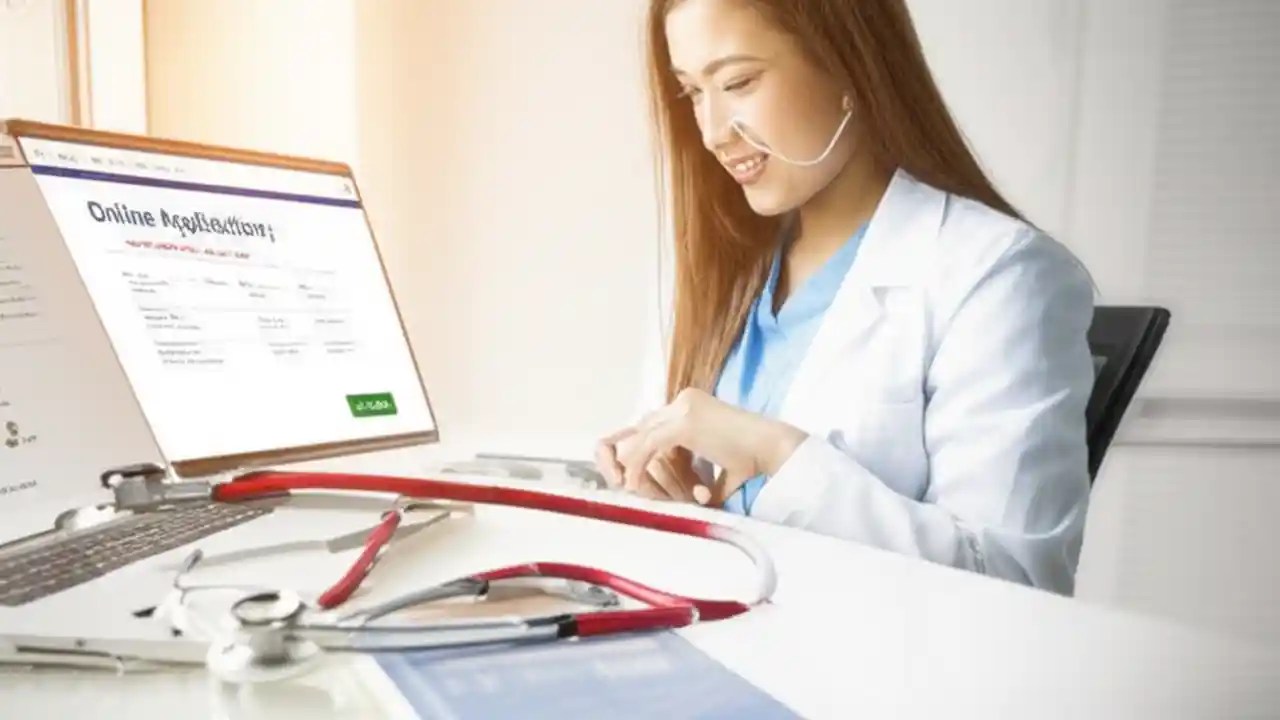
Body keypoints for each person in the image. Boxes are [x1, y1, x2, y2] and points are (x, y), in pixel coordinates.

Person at [594, 0, 1096, 596]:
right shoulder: (714, 273)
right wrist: (649, 484)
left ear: (849, 65)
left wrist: (776, 451)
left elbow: (1016, 584)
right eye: (692, 93)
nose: (711, 132)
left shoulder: (1001, 275)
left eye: (739, 82)